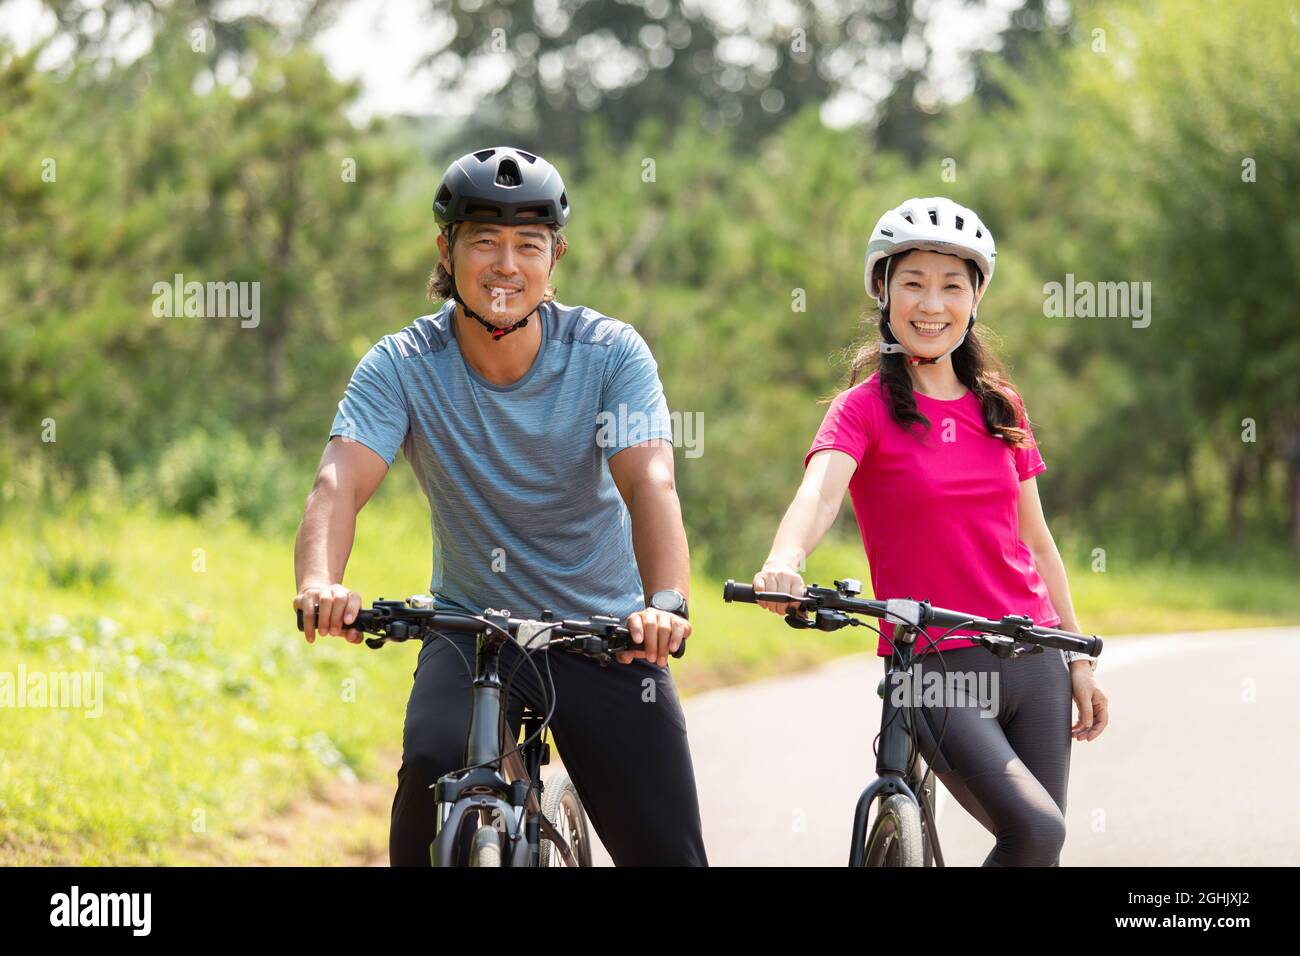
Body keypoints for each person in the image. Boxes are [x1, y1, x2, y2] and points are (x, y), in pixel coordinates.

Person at [293, 146, 707, 866]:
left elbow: (651, 483)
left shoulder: (610, 354)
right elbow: (339, 483)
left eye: (528, 244)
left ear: (557, 257)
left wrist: (664, 602)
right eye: (483, 241)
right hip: (471, 630)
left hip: (603, 633)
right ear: (446, 252)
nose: (505, 264)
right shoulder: (402, 364)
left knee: (666, 851)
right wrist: (319, 582)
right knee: (429, 764)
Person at [752, 196, 1109, 866]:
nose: (931, 304)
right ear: (883, 292)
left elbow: (1037, 541)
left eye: (952, 285)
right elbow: (820, 489)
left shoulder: (1001, 404)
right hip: (933, 666)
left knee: (1037, 852)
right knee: (1037, 831)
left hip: (1034, 658)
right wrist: (785, 558)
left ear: (975, 299)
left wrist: (1079, 658)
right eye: (913, 282)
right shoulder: (862, 411)